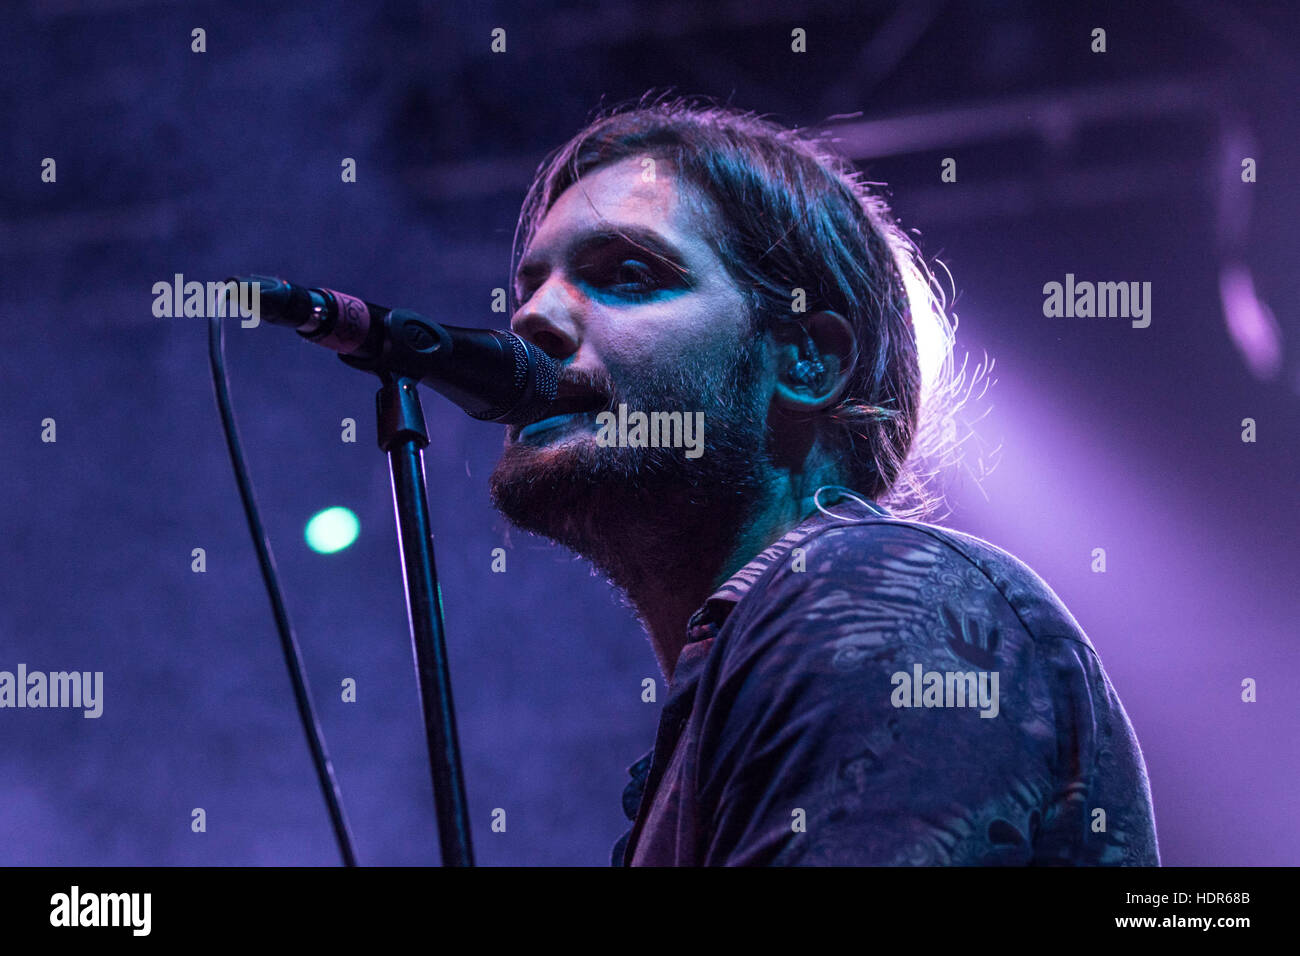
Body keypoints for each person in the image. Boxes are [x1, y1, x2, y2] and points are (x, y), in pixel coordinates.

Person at [488, 95, 1160, 866]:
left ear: (808, 360)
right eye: (528, 287)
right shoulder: (734, 691)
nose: (532, 319)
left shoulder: (877, 587)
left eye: (628, 274)